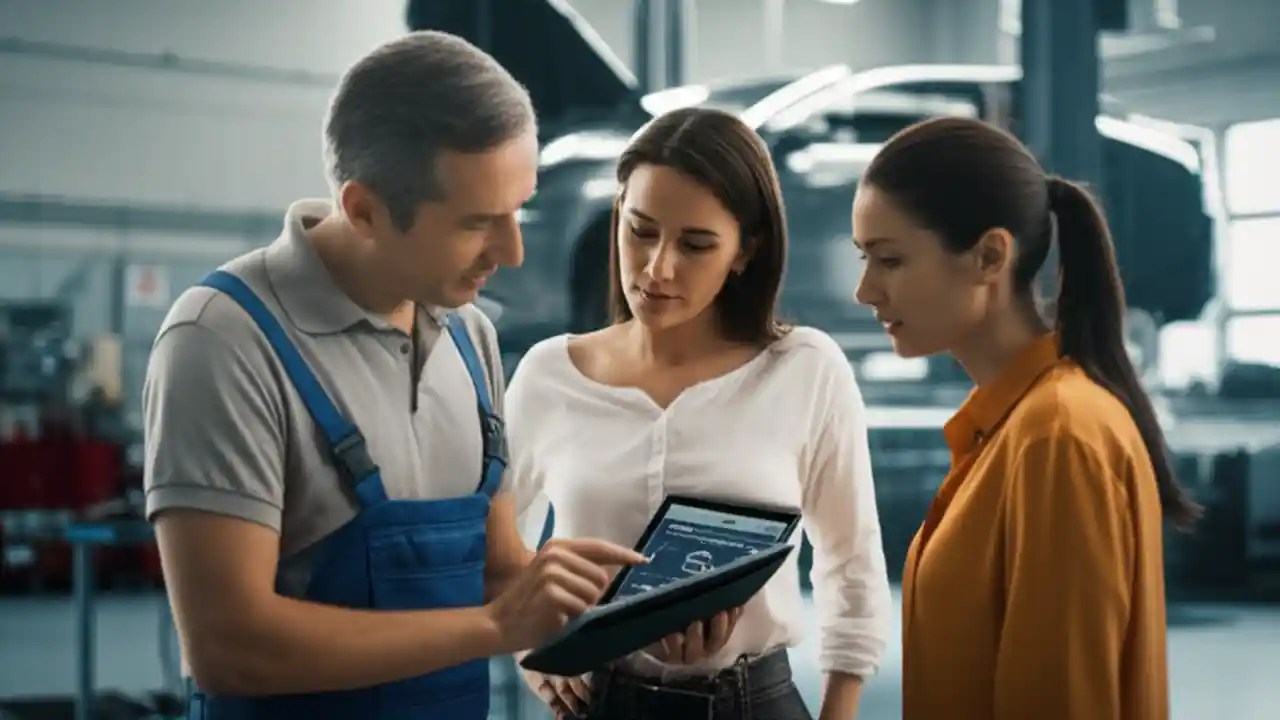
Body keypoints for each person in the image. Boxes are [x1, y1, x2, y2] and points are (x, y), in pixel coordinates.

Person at [142, 31, 645, 720]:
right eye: (477, 223)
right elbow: (230, 644)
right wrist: (496, 630)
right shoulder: (223, 340)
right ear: (364, 211)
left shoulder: (471, 337)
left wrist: (628, 613)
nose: (514, 251)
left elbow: (498, 569)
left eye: (518, 212)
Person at [505, 107, 893, 720]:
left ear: (746, 251)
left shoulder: (805, 369)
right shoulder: (550, 375)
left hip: (753, 703)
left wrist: (839, 711)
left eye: (695, 244)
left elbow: (851, 565)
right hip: (599, 705)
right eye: (640, 230)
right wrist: (534, 651)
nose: (658, 268)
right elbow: (502, 548)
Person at [850, 116, 1200, 719]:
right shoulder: (1018, 425)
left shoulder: (1056, 435)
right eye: (864, 258)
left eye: (890, 260)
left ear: (989, 256)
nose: (866, 290)